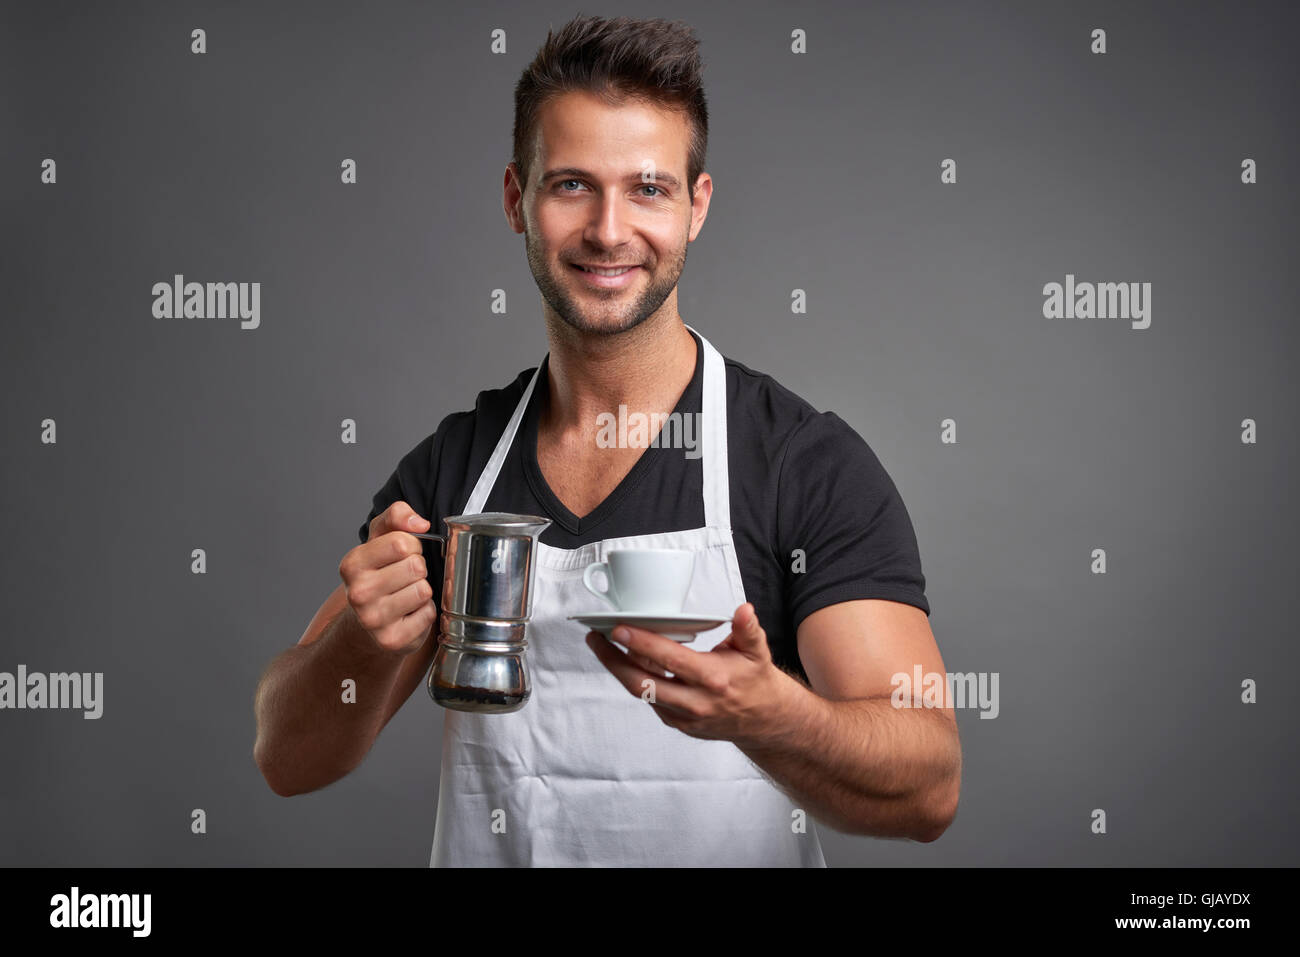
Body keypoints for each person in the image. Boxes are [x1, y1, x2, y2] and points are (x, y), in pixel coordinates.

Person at [253, 13, 961, 867]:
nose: (609, 230)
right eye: (573, 185)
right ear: (517, 198)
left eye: (649, 189)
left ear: (697, 206)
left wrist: (771, 715)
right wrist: (360, 642)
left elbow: (929, 785)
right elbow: (286, 759)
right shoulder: (454, 473)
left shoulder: (801, 464)